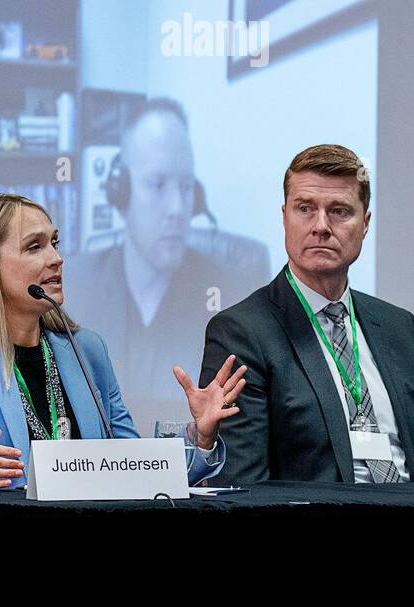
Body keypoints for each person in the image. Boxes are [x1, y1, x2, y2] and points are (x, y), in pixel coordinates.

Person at [0, 193, 245, 490]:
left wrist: (199, 436)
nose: (56, 258)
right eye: (35, 247)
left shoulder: (85, 349)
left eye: (54, 243)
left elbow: (137, 473)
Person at [199, 144, 414, 485]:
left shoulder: (400, 328)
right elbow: (244, 489)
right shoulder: (242, 332)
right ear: (284, 217)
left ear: (365, 223)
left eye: (339, 211)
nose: (321, 226)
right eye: (305, 208)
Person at [65, 99, 270, 418]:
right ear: (120, 191)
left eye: (186, 187)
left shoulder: (231, 294)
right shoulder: (74, 288)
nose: (177, 207)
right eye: (157, 184)